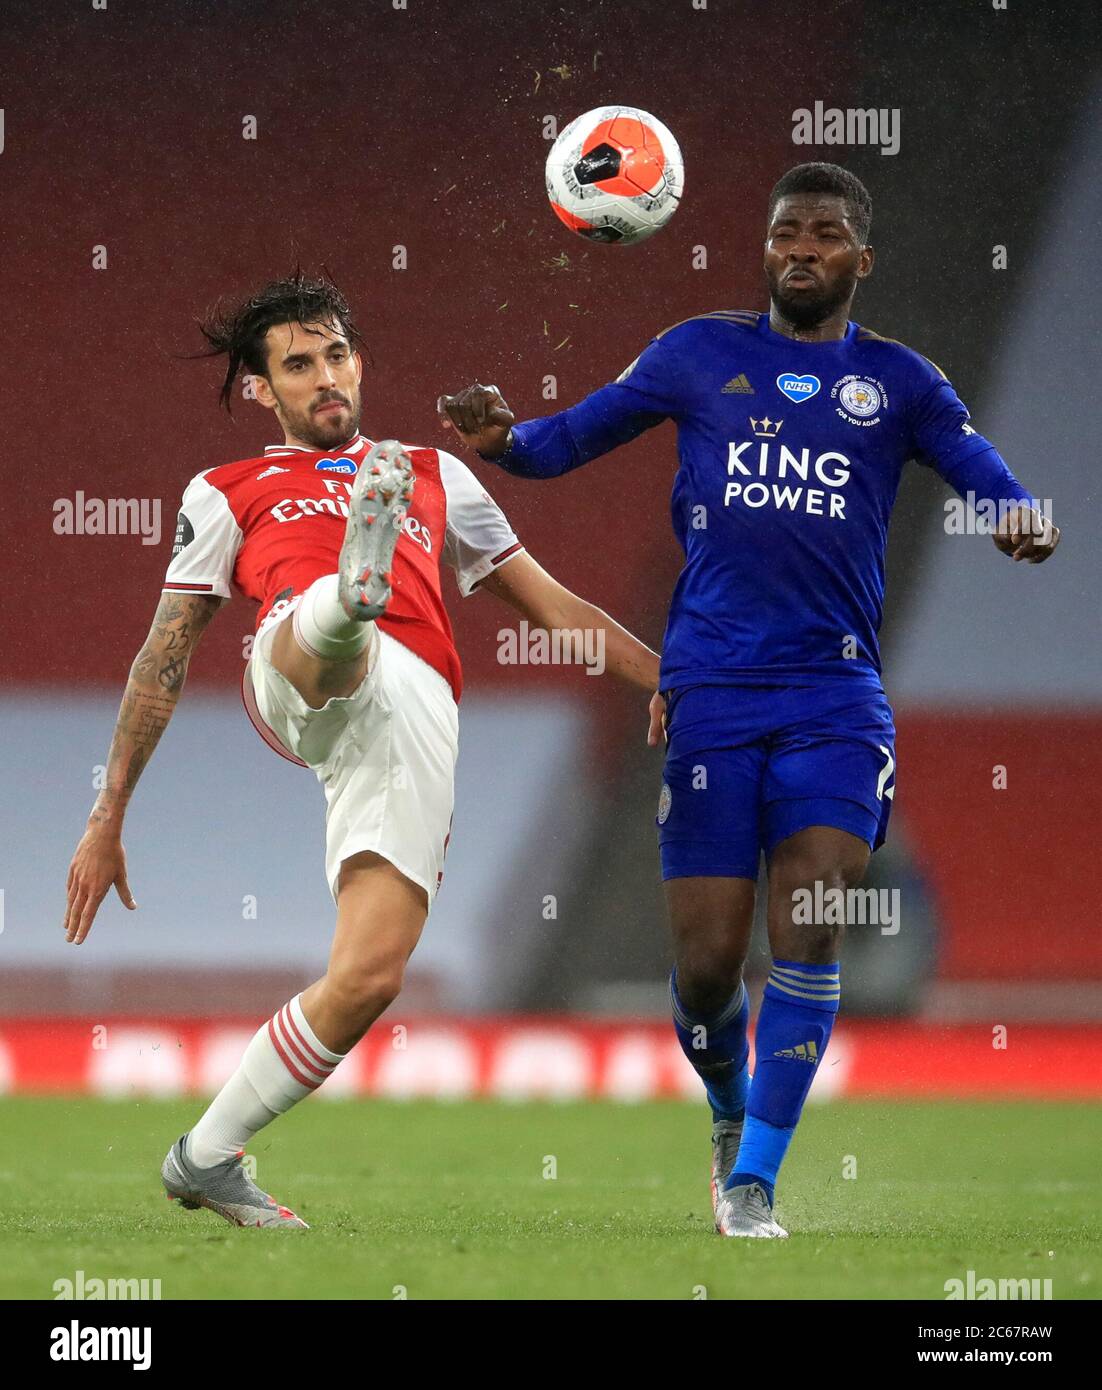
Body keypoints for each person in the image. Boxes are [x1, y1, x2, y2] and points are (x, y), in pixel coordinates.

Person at [437, 162, 1060, 1237]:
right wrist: (504, 442)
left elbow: (977, 466)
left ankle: (753, 1184)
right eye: (785, 232)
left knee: (811, 916)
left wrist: (1015, 512)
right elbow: (568, 439)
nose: (801, 249)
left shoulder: (902, 383)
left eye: (824, 234)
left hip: (833, 695)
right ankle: (730, 1112)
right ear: (764, 248)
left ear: (859, 260)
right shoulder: (696, 355)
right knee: (707, 961)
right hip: (709, 693)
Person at [63, 271, 660, 1229]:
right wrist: (108, 813)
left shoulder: (437, 472)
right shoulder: (226, 490)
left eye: (336, 354)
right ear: (263, 389)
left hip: (413, 715)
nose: (324, 376)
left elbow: (552, 608)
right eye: (297, 364)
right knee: (330, 638)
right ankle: (351, 592)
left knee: (370, 976)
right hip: (296, 667)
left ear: (358, 362)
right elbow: (161, 657)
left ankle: (206, 1157)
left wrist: (664, 680)